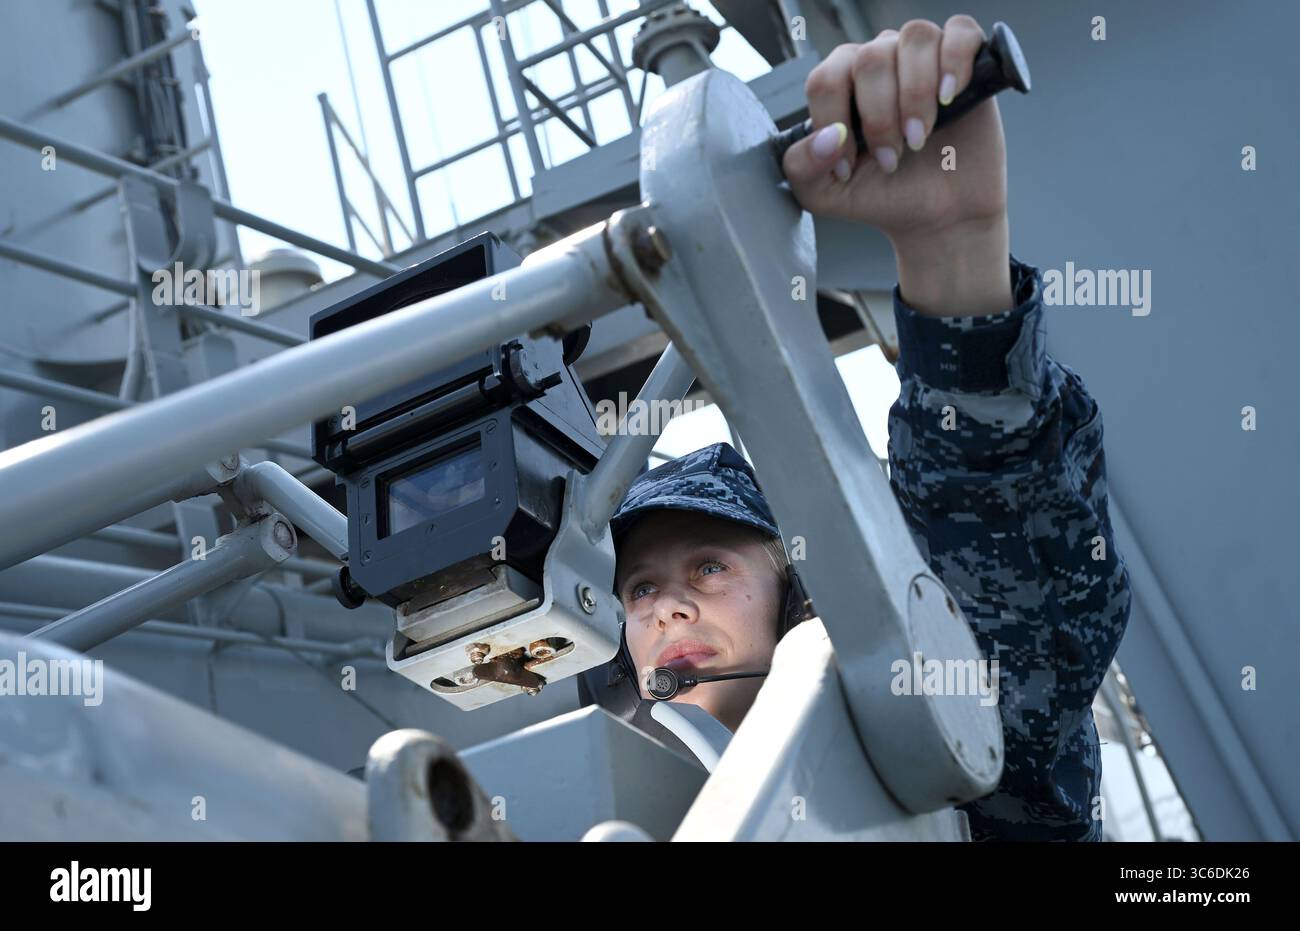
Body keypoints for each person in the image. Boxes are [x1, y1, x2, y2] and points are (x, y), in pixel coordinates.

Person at [595, 15, 1132, 842]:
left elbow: (1012, 600)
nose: (666, 608)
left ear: (799, 593)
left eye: (709, 564)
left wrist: (954, 246)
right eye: (639, 588)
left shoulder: (938, 771)